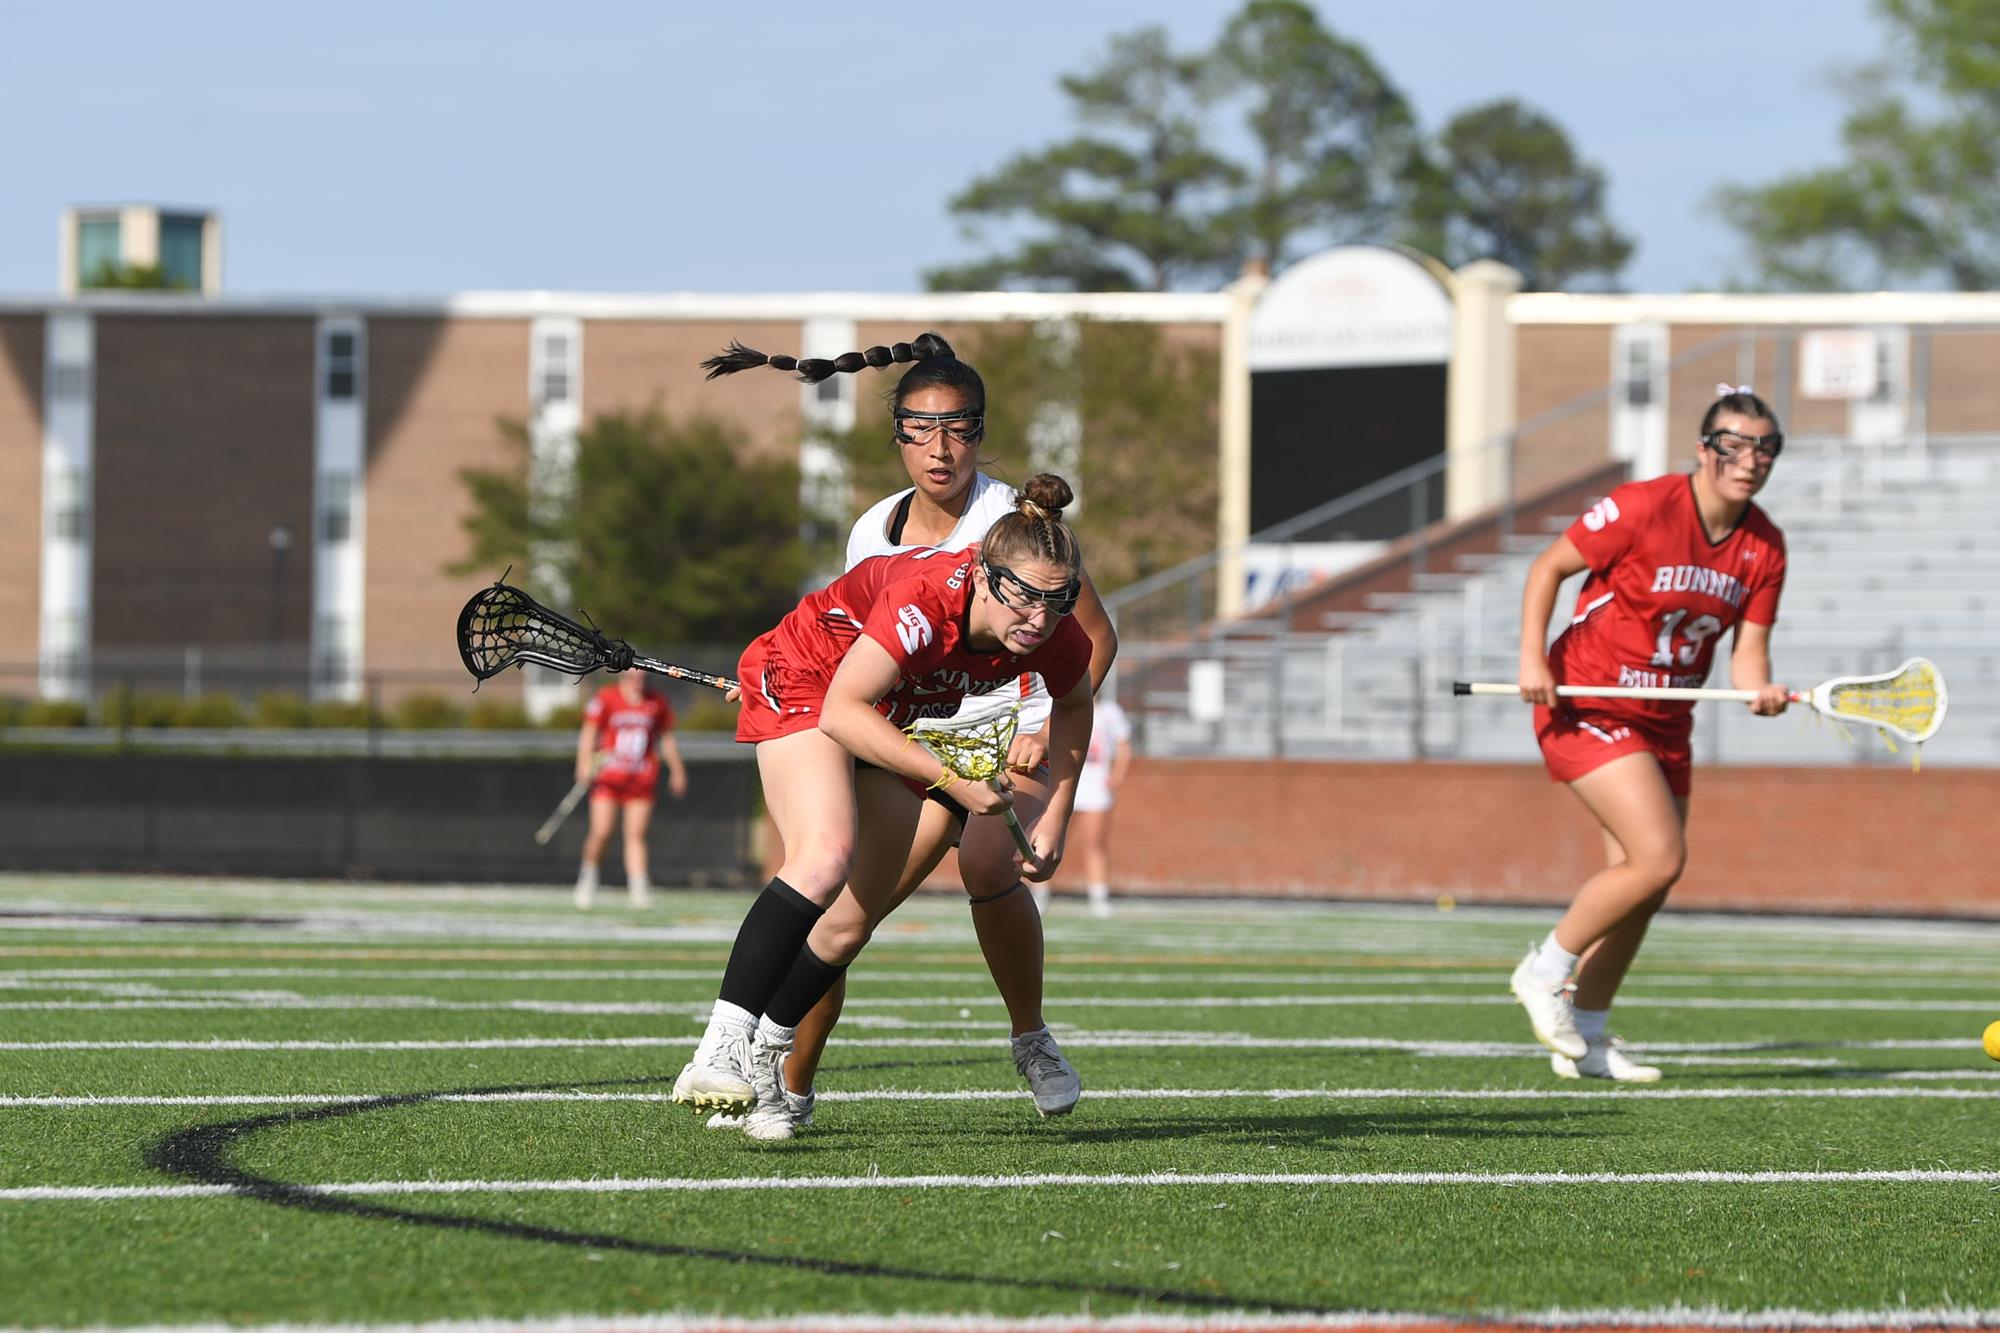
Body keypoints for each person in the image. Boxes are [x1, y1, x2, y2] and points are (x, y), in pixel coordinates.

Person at [699, 332, 1117, 1137]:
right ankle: (787, 1082)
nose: (940, 448)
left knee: (992, 860)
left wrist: (1034, 739)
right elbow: (853, 655)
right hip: (914, 736)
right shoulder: (873, 530)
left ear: (981, 433)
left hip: (1008, 730)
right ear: (896, 435)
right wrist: (785, 687)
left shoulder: (1015, 524)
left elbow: (1085, 645)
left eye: (958, 428)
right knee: (840, 911)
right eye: (921, 429)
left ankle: (1030, 1036)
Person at [1510, 384, 1790, 1082]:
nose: (1749, 459)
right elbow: (1549, 566)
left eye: (1765, 447)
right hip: (1588, 703)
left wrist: (1760, 688)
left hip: (1667, 719)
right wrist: (1527, 656)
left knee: (1644, 883)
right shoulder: (1643, 505)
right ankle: (1544, 970)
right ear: (1703, 449)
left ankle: (1592, 1033)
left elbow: (1747, 652)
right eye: (1733, 443)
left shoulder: (1765, 546)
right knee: (1660, 857)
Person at [573, 673, 688, 910]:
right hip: (610, 776)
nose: (639, 682)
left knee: (636, 834)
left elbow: (666, 739)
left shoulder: (656, 701)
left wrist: (677, 770)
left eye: (643, 677)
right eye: (634, 676)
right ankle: (588, 878)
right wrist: (583, 763)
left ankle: (638, 886)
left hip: (641, 777)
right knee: (602, 831)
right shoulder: (606, 697)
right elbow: (589, 733)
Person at [1059, 693, 1133, 918]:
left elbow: (1124, 747)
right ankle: (1038, 894)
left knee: (1095, 844)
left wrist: (1117, 776)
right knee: (1049, 841)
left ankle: (1098, 896)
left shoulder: (1110, 712)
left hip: (1096, 787)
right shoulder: (1061, 703)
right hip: (1065, 782)